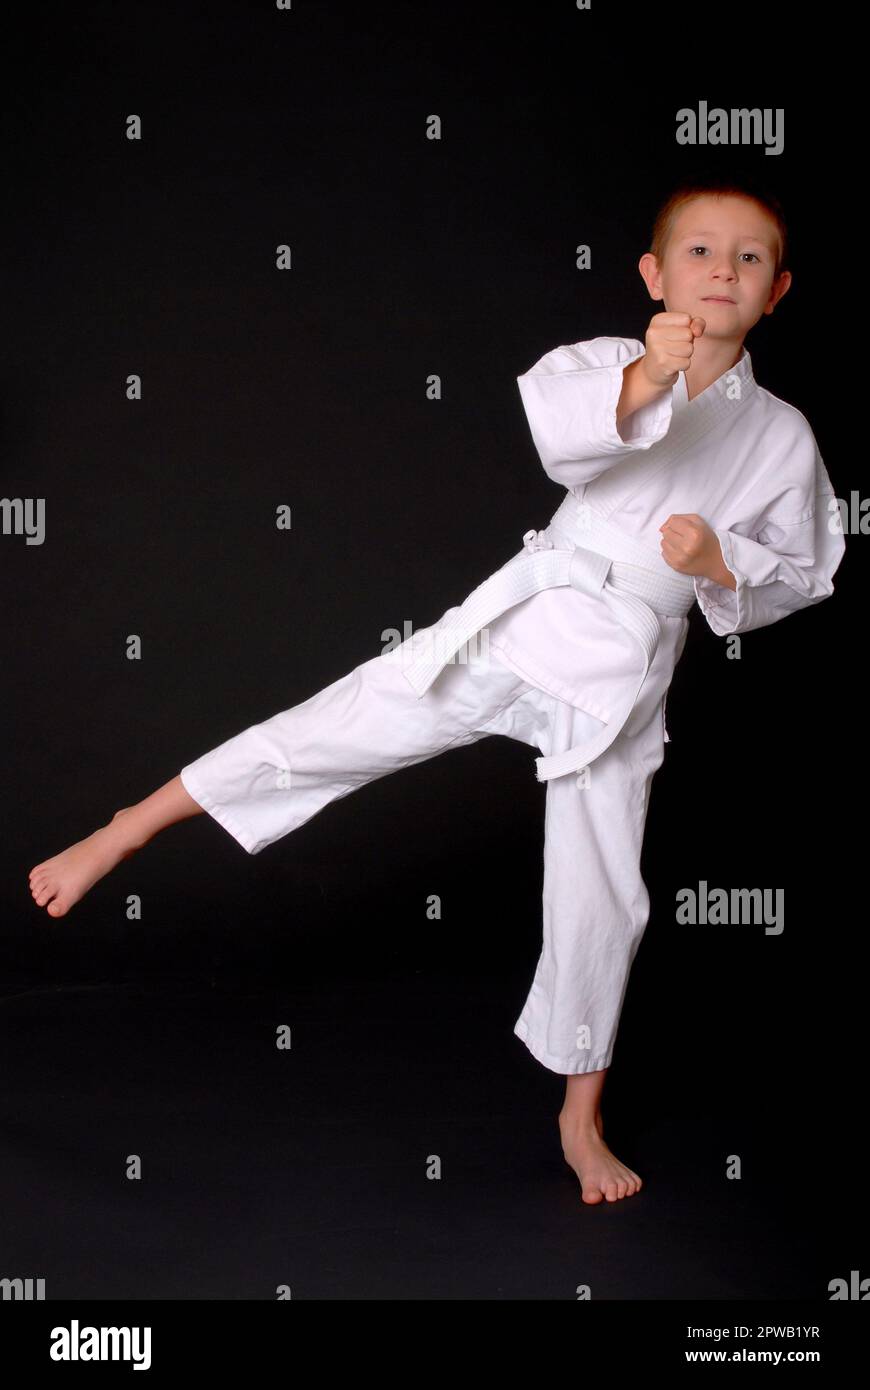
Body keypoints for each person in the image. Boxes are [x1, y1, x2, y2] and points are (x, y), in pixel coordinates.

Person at [28, 179, 846, 1205]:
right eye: (699, 252)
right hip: (526, 622)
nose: (722, 270)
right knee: (345, 719)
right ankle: (130, 826)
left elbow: (807, 568)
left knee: (607, 895)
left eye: (750, 258)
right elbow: (566, 435)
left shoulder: (781, 436)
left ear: (777, 293)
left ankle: (578, 1113)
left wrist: (722, 563)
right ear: (654, 273)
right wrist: (646, 376)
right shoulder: (604, 363)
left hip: (628, 673)